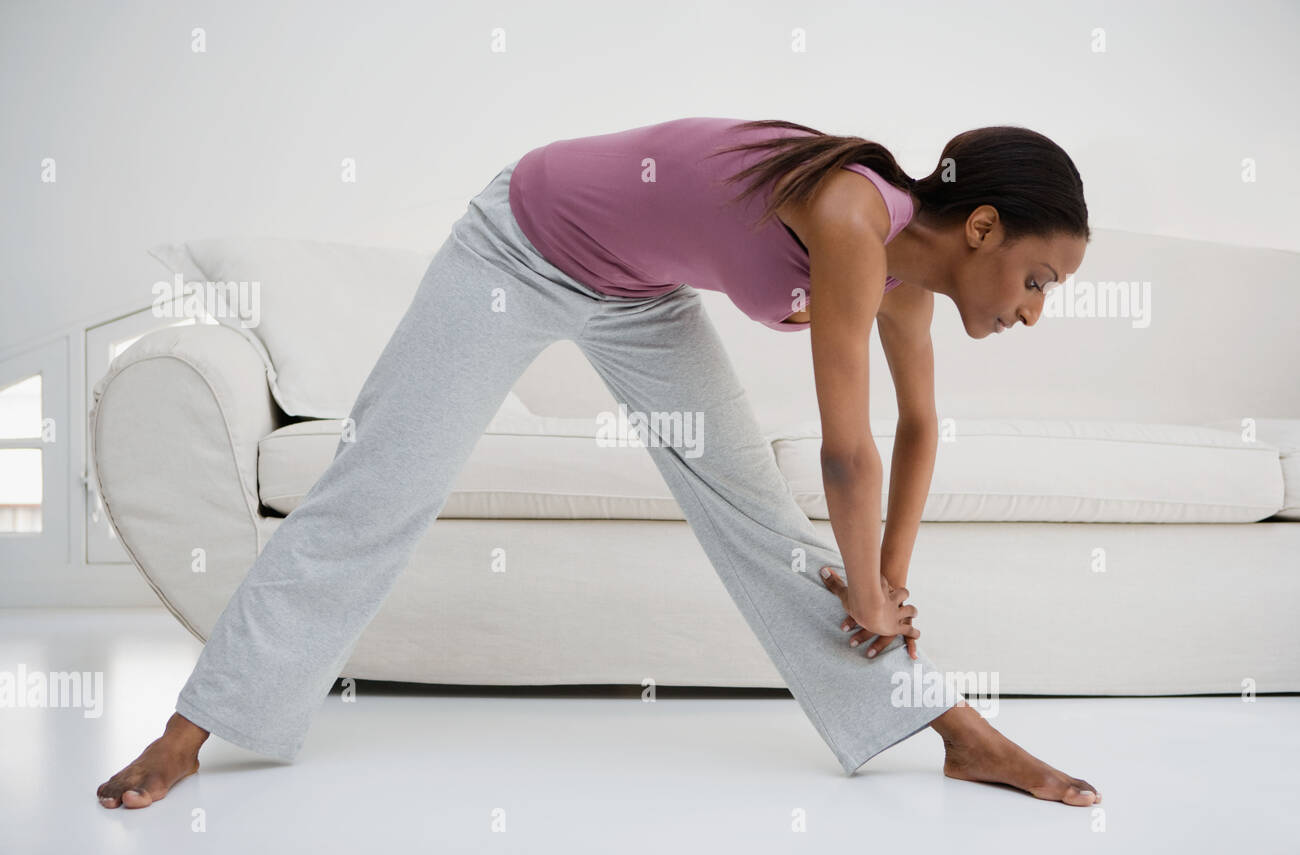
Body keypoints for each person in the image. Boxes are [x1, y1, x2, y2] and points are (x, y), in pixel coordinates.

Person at [97, 116, 1098, 809]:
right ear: (980, 228)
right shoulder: (850, 218)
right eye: (1037, 276)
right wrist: (872, 585)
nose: (1034, 306)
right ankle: (191, 729)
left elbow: (916, 428)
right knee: (384, 479)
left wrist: (886, 582)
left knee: (756, 519)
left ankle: (953, 730)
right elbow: (846, 449)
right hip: (520, 247)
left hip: (638, 293)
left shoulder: (906, 283)